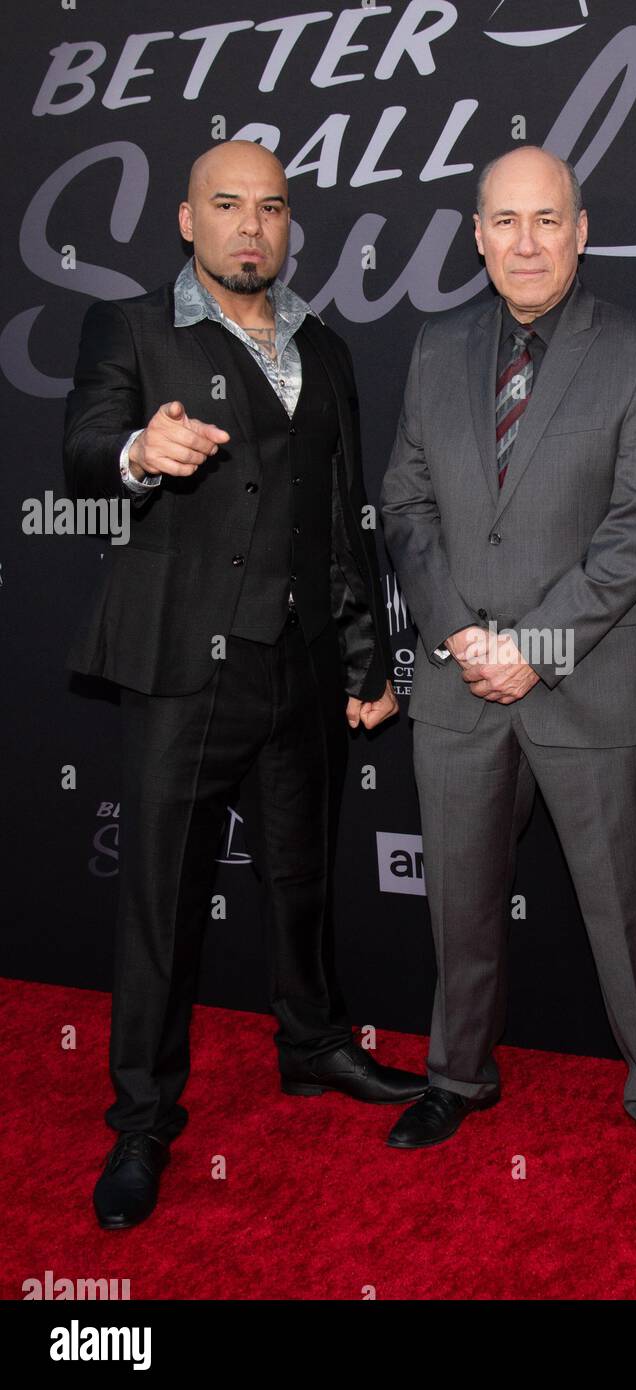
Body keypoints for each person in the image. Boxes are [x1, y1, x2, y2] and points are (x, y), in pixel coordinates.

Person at [64, 140, 426, 1231]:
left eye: (270, 207)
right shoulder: (130, 328)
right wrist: (138, 450)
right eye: (227, 205)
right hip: (182, 667)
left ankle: (313, 1043)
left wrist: (367, 655)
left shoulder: (326, 345)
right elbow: (84, 449)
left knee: (305, 871)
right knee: (162, 900)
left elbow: (341, 518)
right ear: (188, 220)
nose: (250, 226)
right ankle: (141, 1117)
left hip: (301, 661)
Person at [380, 146, 636, 1191]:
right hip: (456, 683)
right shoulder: (436, 347)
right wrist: (457, 632)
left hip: (590, 682)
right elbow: (406, 504)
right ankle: (458, 1073)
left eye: (546, 221)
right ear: (477, 235)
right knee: (459, 903)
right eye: (504, 222)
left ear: (578, 231)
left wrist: (534, 646)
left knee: (628, 913)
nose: (526, 242)